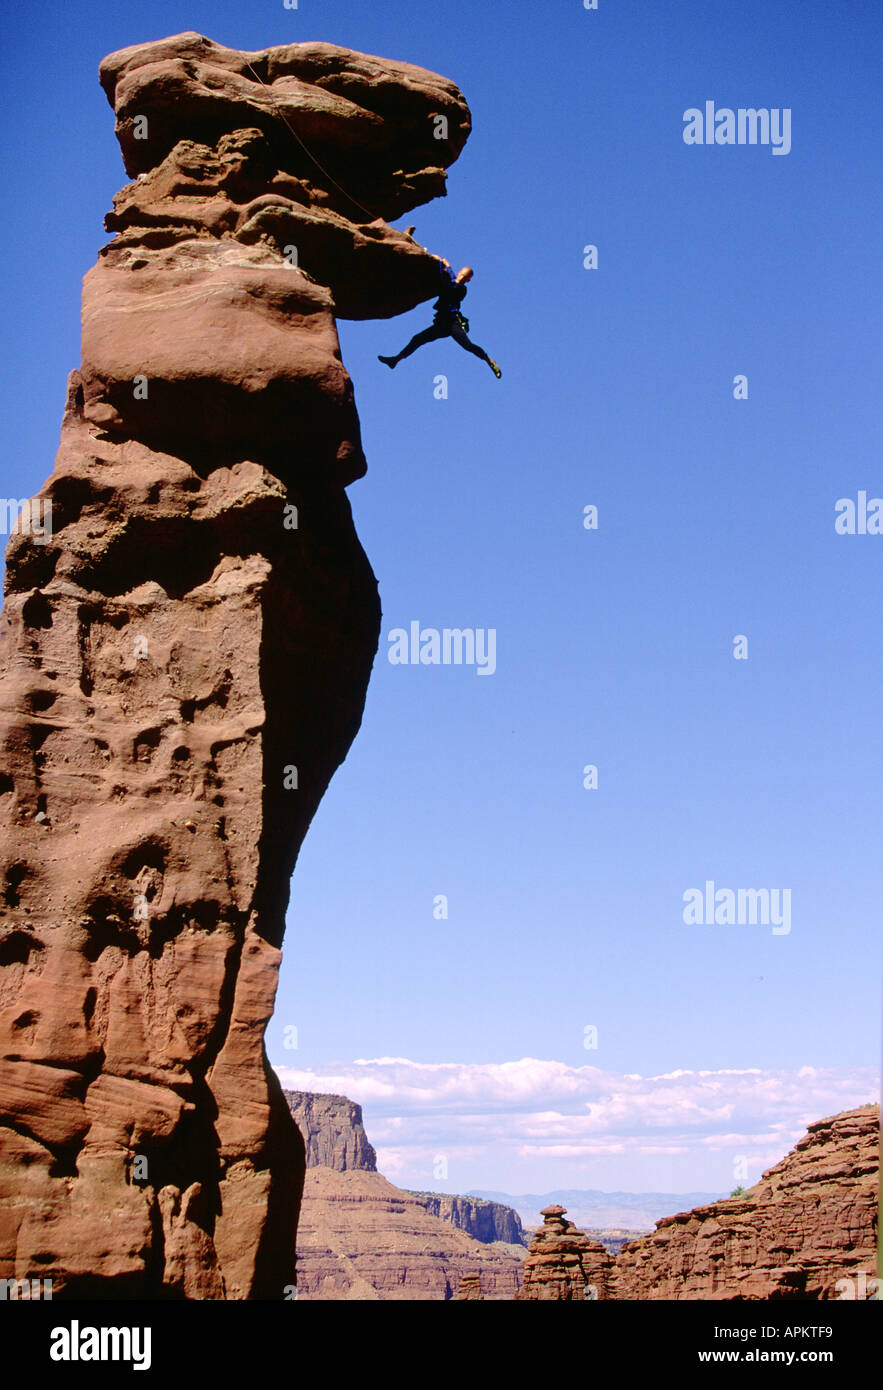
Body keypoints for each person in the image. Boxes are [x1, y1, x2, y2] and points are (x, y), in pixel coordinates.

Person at [378, 260, 502, 377]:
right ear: (460, 272)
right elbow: (448, 279)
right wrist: (440, 262)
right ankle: (395, 360)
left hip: (453, 323)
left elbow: (453, 286)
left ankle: (488, 360)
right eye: (463, 273)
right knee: (418, 339)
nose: (463, 276)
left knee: (468, 345)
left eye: (467, 276)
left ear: (468, 280)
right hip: (441, 324)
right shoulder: (450, 281)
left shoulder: (462, 289)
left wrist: (447, 266)